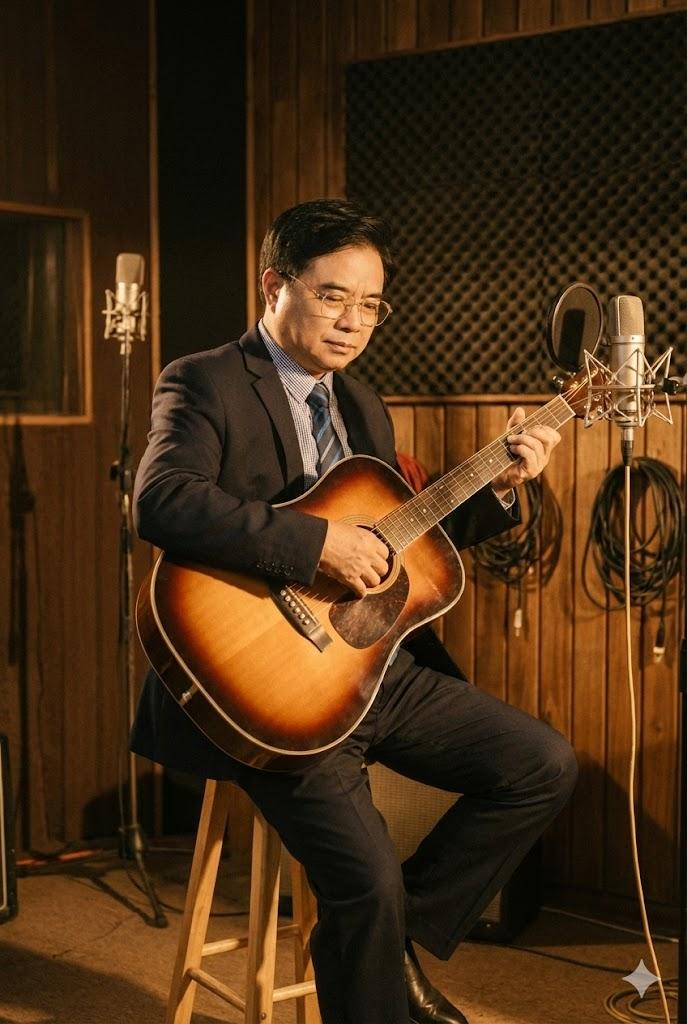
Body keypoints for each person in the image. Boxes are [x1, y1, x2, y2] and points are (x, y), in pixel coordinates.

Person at [131, 198, 577, 1024]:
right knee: (364, 879)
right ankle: (373, 934)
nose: (353, 322)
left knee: (541, 765)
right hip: (261, 682)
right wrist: (316, 545)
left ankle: (389, 937)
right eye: (333, 296)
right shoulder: (205, 379)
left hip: (369, 669)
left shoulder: (363, 404)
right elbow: (162, 502)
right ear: (275, 285)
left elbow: (399, 542)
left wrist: (504, 485)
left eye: (371, 305)